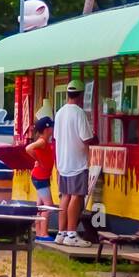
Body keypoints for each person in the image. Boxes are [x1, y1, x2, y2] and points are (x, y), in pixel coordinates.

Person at [53, 81, 97, 246]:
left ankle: (61, 232)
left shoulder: (59, 113)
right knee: (77, 196)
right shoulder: (79, 113)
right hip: (77, 162)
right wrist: (90, 157)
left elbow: (56, 138)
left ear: (67, 94)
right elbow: (86, 138)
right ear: (80, 96)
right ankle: (71, 234)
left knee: (65, 196)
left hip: (63, 161)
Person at [25, 116, 56, 240]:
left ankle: (38, 232)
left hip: (41, 177)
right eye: (51, 127)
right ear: (47, 129)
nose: (53, 129)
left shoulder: (45, 141)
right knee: (49, 206)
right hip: (40, 177)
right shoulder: (42, 141)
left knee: (41, 205)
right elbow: (28, 148)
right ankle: (43, 233)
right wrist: (38, 160)